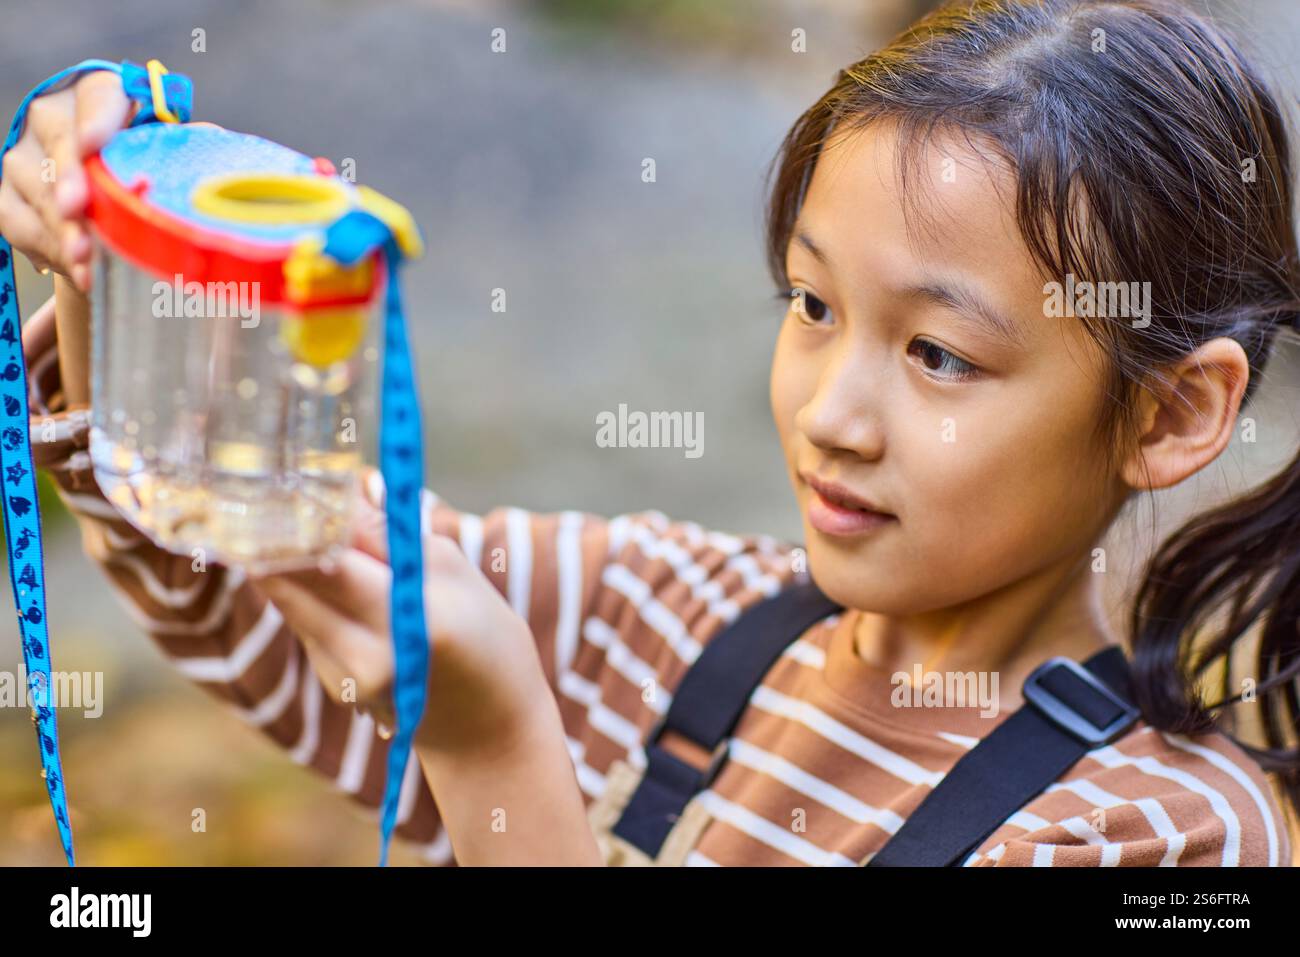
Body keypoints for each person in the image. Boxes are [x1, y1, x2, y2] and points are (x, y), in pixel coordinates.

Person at [4, 0, 1298, 866]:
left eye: (939, 354)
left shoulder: (1164, 835)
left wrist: (490, 742)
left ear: (1175, 412)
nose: (829, 414)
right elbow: (233, 570)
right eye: (812, 302)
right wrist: (129, 252)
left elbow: (472, 713)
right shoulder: (654, 613)